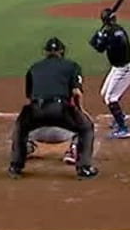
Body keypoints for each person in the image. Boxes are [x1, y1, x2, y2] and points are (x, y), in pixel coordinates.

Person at [8, 37, 97, 179]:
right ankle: (84, 168)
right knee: (86, 127)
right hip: (60, 109)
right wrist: (81, 111)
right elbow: (76, 93)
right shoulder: (72, 66)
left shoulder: (34, 67)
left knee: (20, 126)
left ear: (46, 52)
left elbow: (30, 96)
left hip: (36, 108)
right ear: (62, 52)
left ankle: (15, 166)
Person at [90, 8, 130, 139]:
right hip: (118, 67)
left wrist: (97, 39)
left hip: (126, 69)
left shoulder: (112, 34)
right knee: (104, 93)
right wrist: (100, 37)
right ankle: (120, 115)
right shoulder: (116, 30)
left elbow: (100, 49)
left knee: (110, 98)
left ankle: (123, 129)